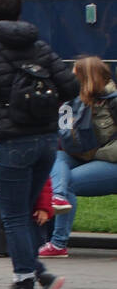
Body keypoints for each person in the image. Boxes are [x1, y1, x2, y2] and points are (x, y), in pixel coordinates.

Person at [0, 0, 79, 289]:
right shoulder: (40, 47)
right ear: (18, 14)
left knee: (13, 217)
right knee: (24, 213)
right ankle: (40, 275)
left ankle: (25, 286)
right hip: (46, 143)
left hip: (13, 145)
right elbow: (70, 86)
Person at [39, 56, 117, 259]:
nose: (70, 80)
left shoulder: (113, 101)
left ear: (87, 78)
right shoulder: (75, 102)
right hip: (86, 157)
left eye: (75, 76)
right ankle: (59, 197)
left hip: (110, 161)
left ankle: (58, 244)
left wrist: (96, 153)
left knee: (69, 182)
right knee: (56, 158)